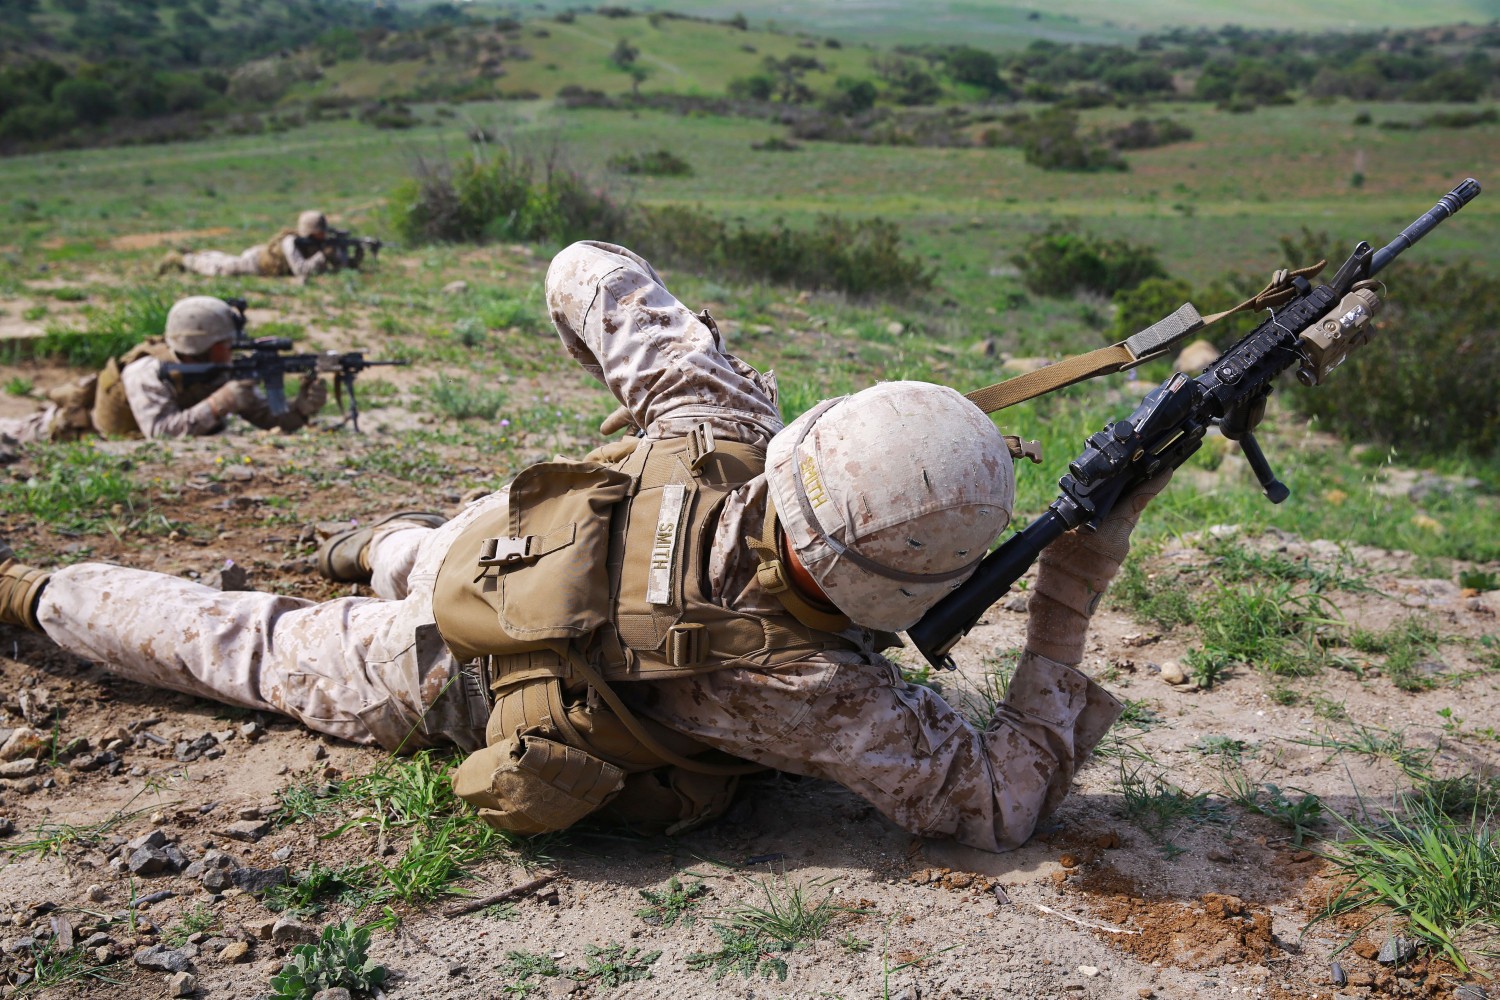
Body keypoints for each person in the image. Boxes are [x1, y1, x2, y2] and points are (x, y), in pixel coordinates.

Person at [0, 242, 1167, 853]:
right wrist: (1072, 586)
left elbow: (583, 270)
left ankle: (382, 547)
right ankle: (31, 591)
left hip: (500, 544)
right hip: (463, 679)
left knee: (433, 560)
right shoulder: (822, 694)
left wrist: (686, 372)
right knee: (245, 646)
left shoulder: (719, 421)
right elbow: (1001, 802)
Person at [0, 296, 328, 451]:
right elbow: (160, 434)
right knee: (10, 434)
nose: (234, 347)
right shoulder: (148, 372)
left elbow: (268, 419)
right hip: (70, 430)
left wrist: (301, 408)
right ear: (209, 345)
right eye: (227, 342)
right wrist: (218, 404)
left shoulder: (220, 368)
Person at [159, 211, 357, 280]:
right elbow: (301, 271)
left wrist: (346, 254)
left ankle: (201, 253)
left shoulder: (318, 244)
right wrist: (324, 255)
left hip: (257, 260)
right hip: (254, 263)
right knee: (218, 268)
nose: (324, 236)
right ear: (309, 232)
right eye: (319, 233)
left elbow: (342, 267)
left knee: (222, 259)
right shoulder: (290, 242)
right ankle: (182, 258)